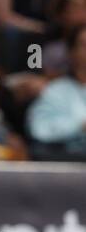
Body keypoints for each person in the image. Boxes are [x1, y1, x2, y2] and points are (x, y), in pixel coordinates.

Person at [26, 24, 86, 155]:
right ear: (72, 52)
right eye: (84, 45)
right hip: (68, 162)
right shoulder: (54, 91)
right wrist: (80, 126)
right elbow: (39, 129)